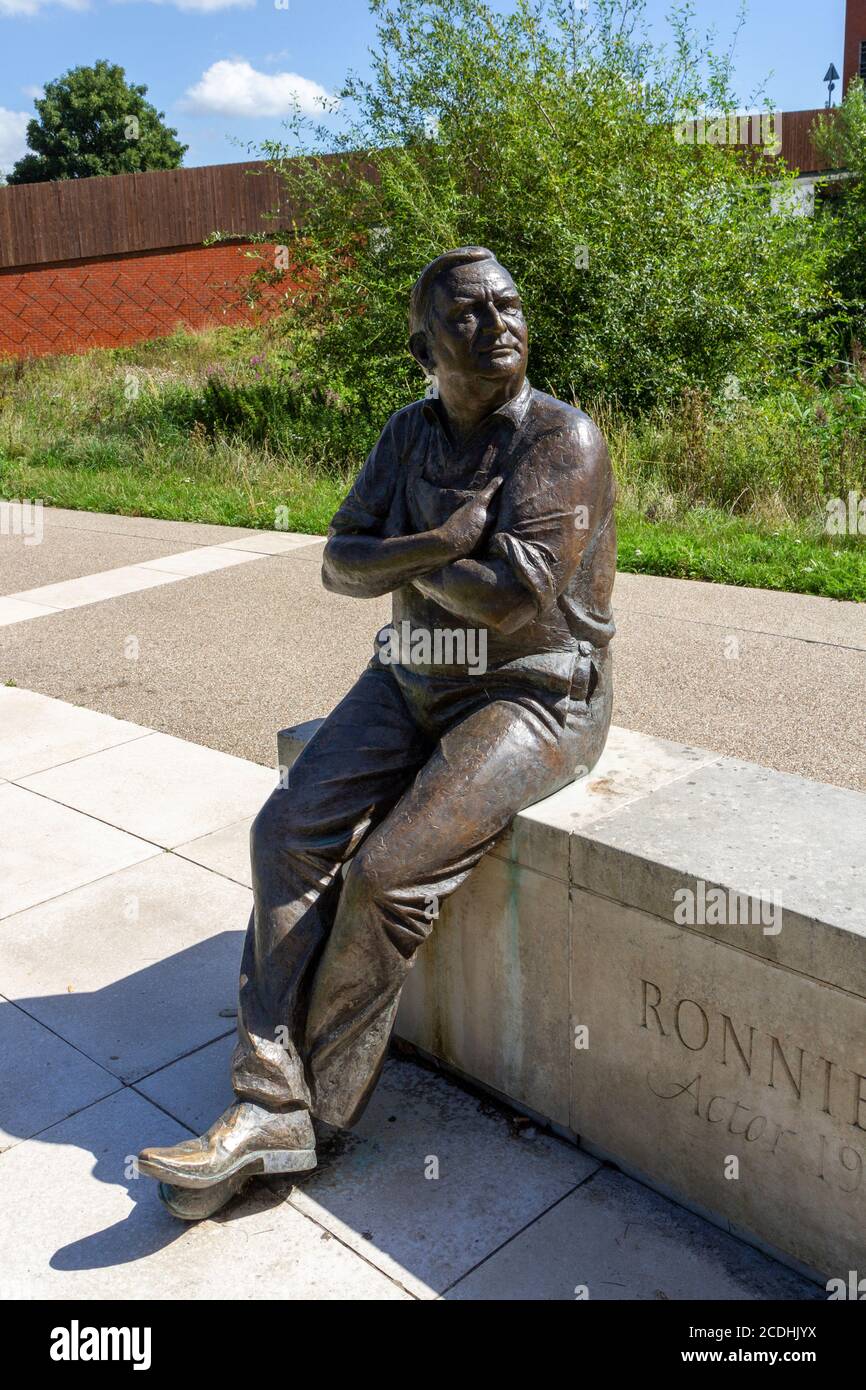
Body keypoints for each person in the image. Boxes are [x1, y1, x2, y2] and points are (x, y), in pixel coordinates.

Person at [138, 246, 616, 1218]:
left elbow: (506, 598)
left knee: (385, 871)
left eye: (507, 306)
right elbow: (336, 561)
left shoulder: (563, 440)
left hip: (532, 693)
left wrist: (406, 559)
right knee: (283, 831)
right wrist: (440, 541)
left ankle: (307, 1115)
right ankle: (267, 1094)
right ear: (421, 345)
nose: (497, 325)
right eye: (468, 315)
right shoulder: (407, 434)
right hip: (409, 674)